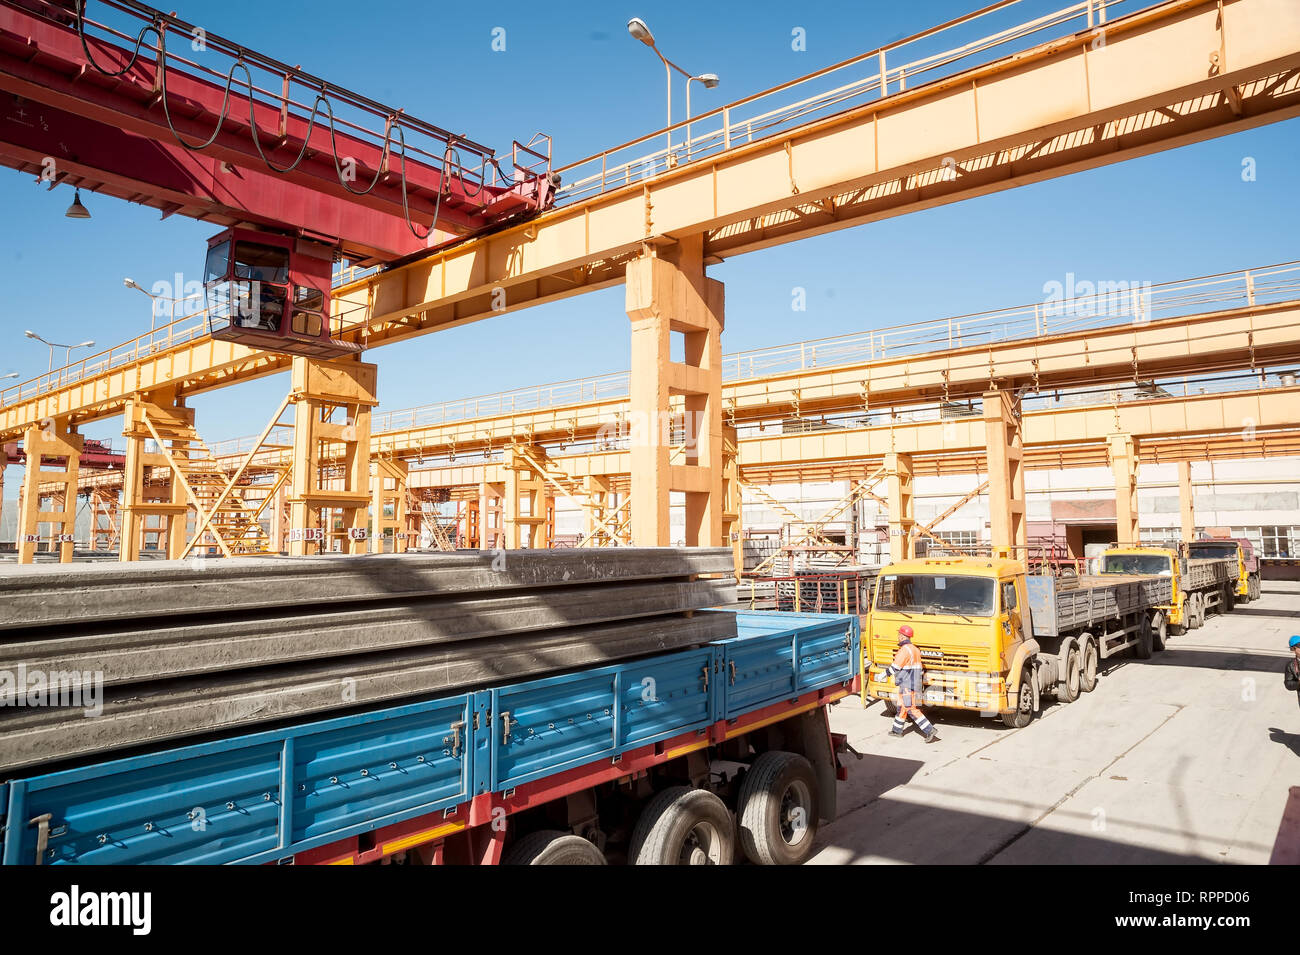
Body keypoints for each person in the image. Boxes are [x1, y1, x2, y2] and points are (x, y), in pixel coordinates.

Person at [879, 624, 940, 743]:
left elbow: (895, 667)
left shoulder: (904, 650)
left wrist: (883, 674)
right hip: (912, 682)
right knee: (902, 707)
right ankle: (897, 731)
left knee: (910, 708)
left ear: (902, 636)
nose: (898, 637)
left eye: (899, 635)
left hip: (907, 683)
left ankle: (929, 730)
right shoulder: (915, 649)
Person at [1285, 635, 1300, 707]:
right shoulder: (1291, 665)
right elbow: (1288, 684)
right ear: (1294, 649)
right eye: (1299, 646)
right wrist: (1299, 683)